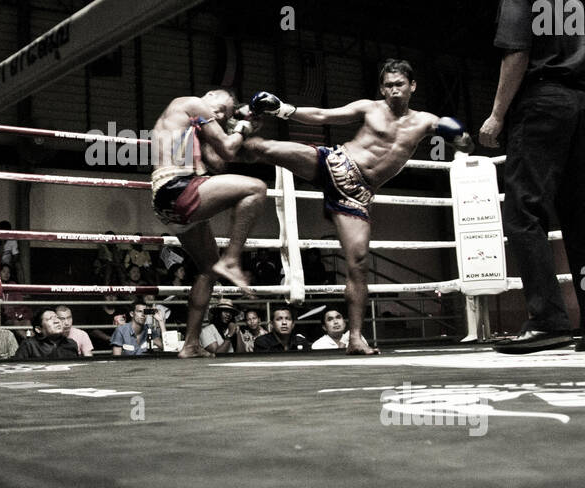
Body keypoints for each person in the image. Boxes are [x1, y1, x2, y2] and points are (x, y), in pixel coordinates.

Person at [239, 60, 472, 355]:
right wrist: (283, 109)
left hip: (357, 194)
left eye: (399, 84)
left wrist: (461, 138)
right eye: (388, 85)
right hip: (334, 163)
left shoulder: (426, 121)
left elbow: (466, 144)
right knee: (262, 148)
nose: (394, 90)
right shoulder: (369, 108)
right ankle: (227, 135)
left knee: (358, 263)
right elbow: (324, 115)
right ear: (381, 88)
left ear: (412, 86)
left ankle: (356, 338)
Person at [478, 0, 585, 354]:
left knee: (523, 210)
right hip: (577, 106)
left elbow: (516, 53)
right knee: (579, 216)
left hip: (540, 103)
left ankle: (548, 319)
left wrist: (497, 115)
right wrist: (580, 117)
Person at [150, 88, 267, 358]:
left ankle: (190, 344)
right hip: (177, 186)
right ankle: (232, 259)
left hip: (170, 205)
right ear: (210, 94)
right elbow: (227, 148)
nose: (219, 115)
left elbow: (217, 162)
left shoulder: (193, 128)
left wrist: (240, 128)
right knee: (256, 189)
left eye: (224, 114)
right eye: (220, 108)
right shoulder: (189, 102)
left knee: (207, 269)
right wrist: (243, 125)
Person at [15, 307, 81, 360]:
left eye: (57, 317)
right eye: (50, 319)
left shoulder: (71, 344)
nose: (57, 321)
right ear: (39, 329)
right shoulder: (29, 345)